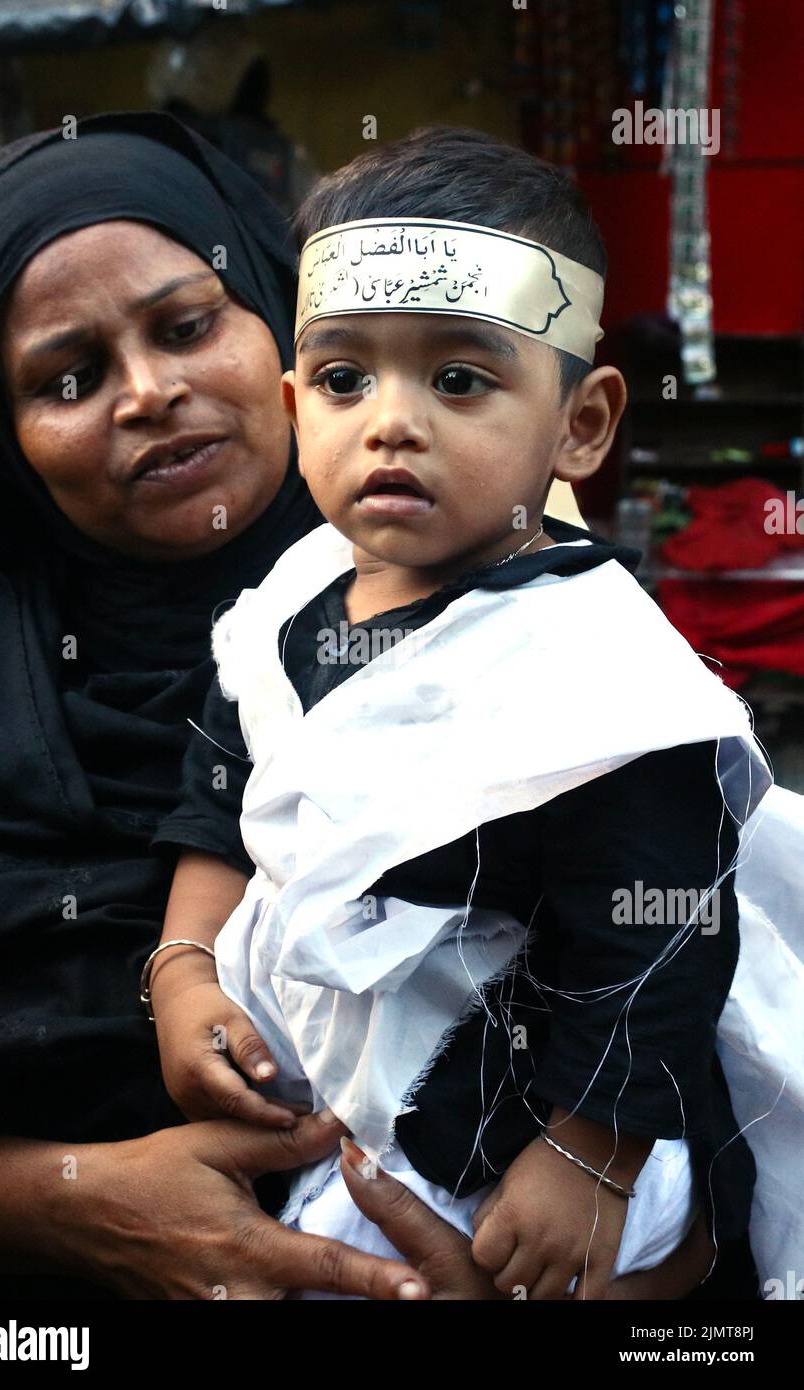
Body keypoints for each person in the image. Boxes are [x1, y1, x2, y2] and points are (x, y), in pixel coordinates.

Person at [151, 128, 803, 1299]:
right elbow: (217, 802)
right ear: (296, 405)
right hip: (348, 1092)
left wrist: (587, 1161)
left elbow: (654, 934)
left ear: (580, 423)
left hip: (538, 1123)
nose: (390, 421)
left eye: (459, 379)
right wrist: (187, 971)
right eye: (345, 379)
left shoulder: (595, 674)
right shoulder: (285, 603)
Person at [0, 109, 459, 1301]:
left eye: (185, 326)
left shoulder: (489, 607)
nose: (148, 393)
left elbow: (688, 994)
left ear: (276, 322)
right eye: (66, 378)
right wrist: (63, 1206)